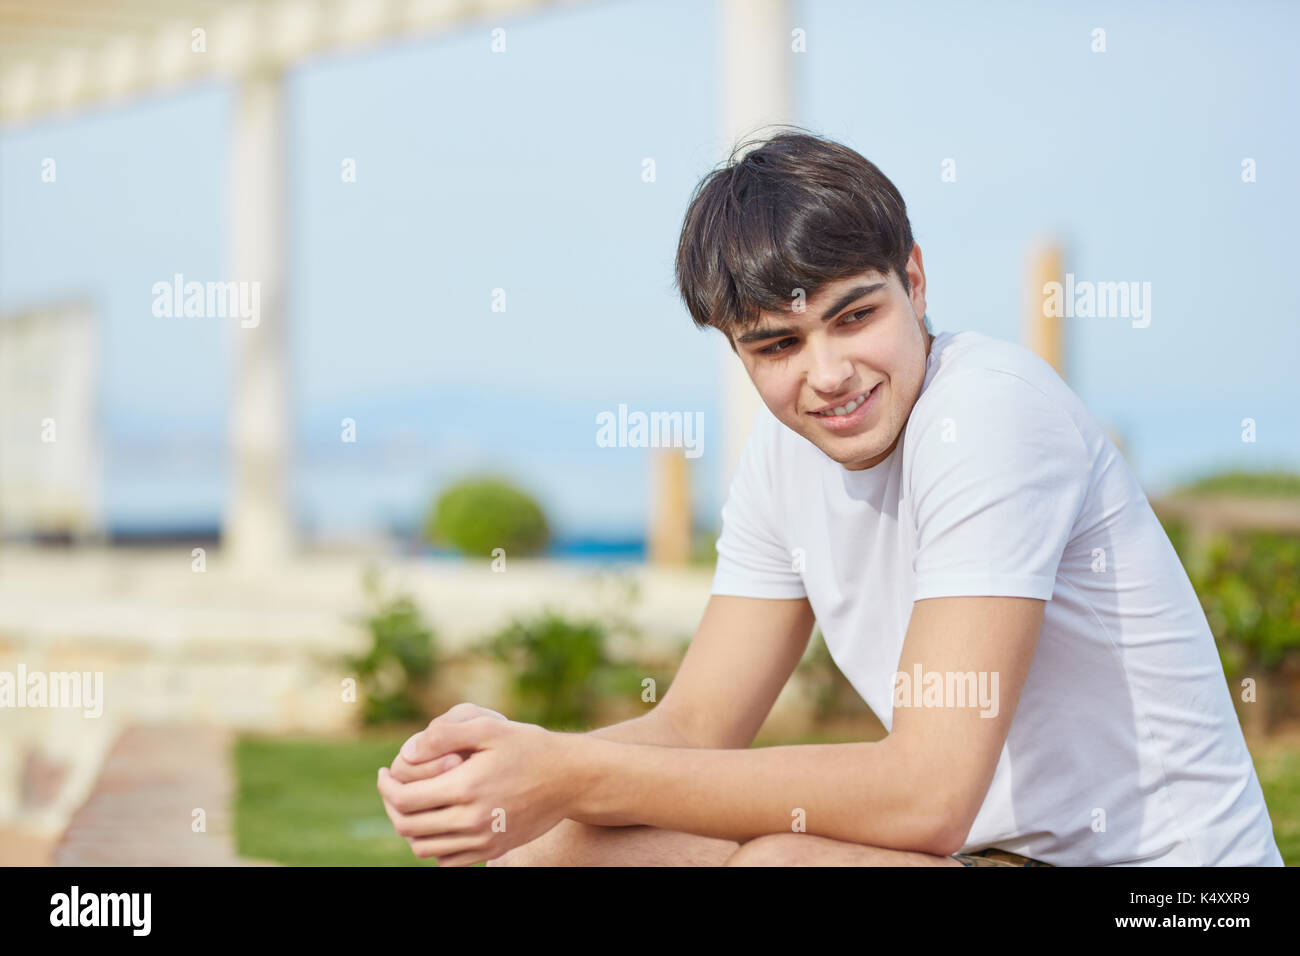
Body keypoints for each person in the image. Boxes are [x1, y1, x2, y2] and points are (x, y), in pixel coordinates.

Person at [376, 129, 1284, 867]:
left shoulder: (989, 412)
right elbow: (696, 726)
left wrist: (569, 772)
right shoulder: (781, 461)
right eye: (777, 347)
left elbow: (927, 793)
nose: (829, 375)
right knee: (558, 855)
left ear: (915, 282)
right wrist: (506, 767)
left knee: (784, 867)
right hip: (993, 859)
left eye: (855, 317)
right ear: (738, 353)